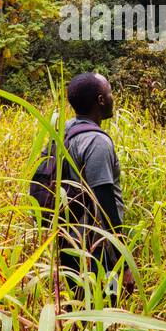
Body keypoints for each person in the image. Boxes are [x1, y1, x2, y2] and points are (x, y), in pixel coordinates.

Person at [57, 71, 134, 300]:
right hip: (97, 249)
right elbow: (106, 208)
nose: (112, 98)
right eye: (110, 93)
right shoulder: (97, 142)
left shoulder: (66, 131)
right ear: (101, 100)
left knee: (78, 311)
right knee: (105, 312)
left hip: (69, 242)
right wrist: (123, 262)